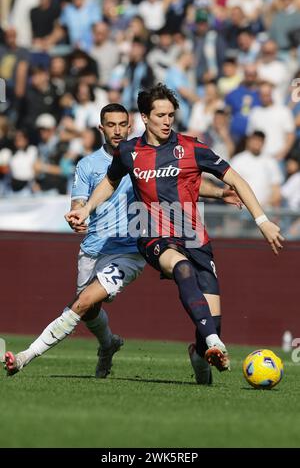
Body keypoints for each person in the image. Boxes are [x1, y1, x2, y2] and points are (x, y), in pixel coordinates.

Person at [3, 102, 241, 382]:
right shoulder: (88, 165)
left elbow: (182, 184)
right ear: (101, 128)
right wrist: (79, 215)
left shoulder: (142, 155)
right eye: (111, 125)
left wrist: (218, 192)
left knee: (82, 303)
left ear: (130, 126)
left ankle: (23, 358)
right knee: (88, 309)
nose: (117, 131)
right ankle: (108, 344)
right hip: (94, 247)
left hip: (131, 249)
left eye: (122, 125)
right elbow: (80, 202)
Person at [66, 84, 284, 385]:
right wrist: (88, 208)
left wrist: (262, 221)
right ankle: (214, 344)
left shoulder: (191, 148)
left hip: (195, 237)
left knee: (211, 323)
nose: (167, 121)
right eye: (161, 115)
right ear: (145, 117)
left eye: (171, 115)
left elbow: (235, 178)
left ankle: (200, 351)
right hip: (154, 235)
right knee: (181, 269)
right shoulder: (130, 152)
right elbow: (110, 181)